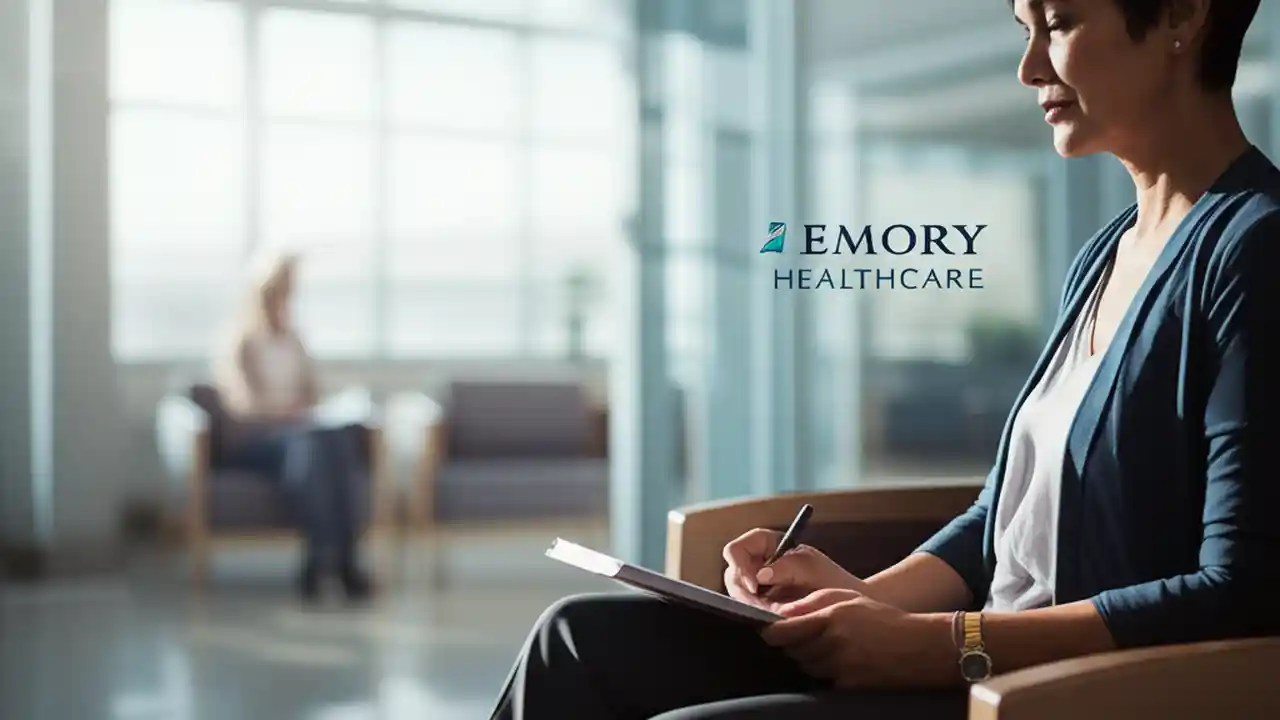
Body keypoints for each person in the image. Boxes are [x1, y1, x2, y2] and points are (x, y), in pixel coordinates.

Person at [489, 0, 1280, 717]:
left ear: (1183, 16)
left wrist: (941, 643)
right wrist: (859, 599)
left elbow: (1242, 593)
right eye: (1024, 29)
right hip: (968, 652)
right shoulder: (1107, 255)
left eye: (1060, 23)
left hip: (1049, 691)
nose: (1029, 66)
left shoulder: (1256, 250)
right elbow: (1005, 521)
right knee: (575, 639)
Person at [214, 251, 372, 601]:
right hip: (260, 439)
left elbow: (312, 392)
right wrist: (284, 411)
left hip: (300, 431)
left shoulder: (294, 339)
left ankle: (345, 561)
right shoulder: (242, 340)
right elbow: (242, 405)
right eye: (281, 291)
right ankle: (318, 560)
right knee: (309, 449)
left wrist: (308, 408)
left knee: (336, 442)